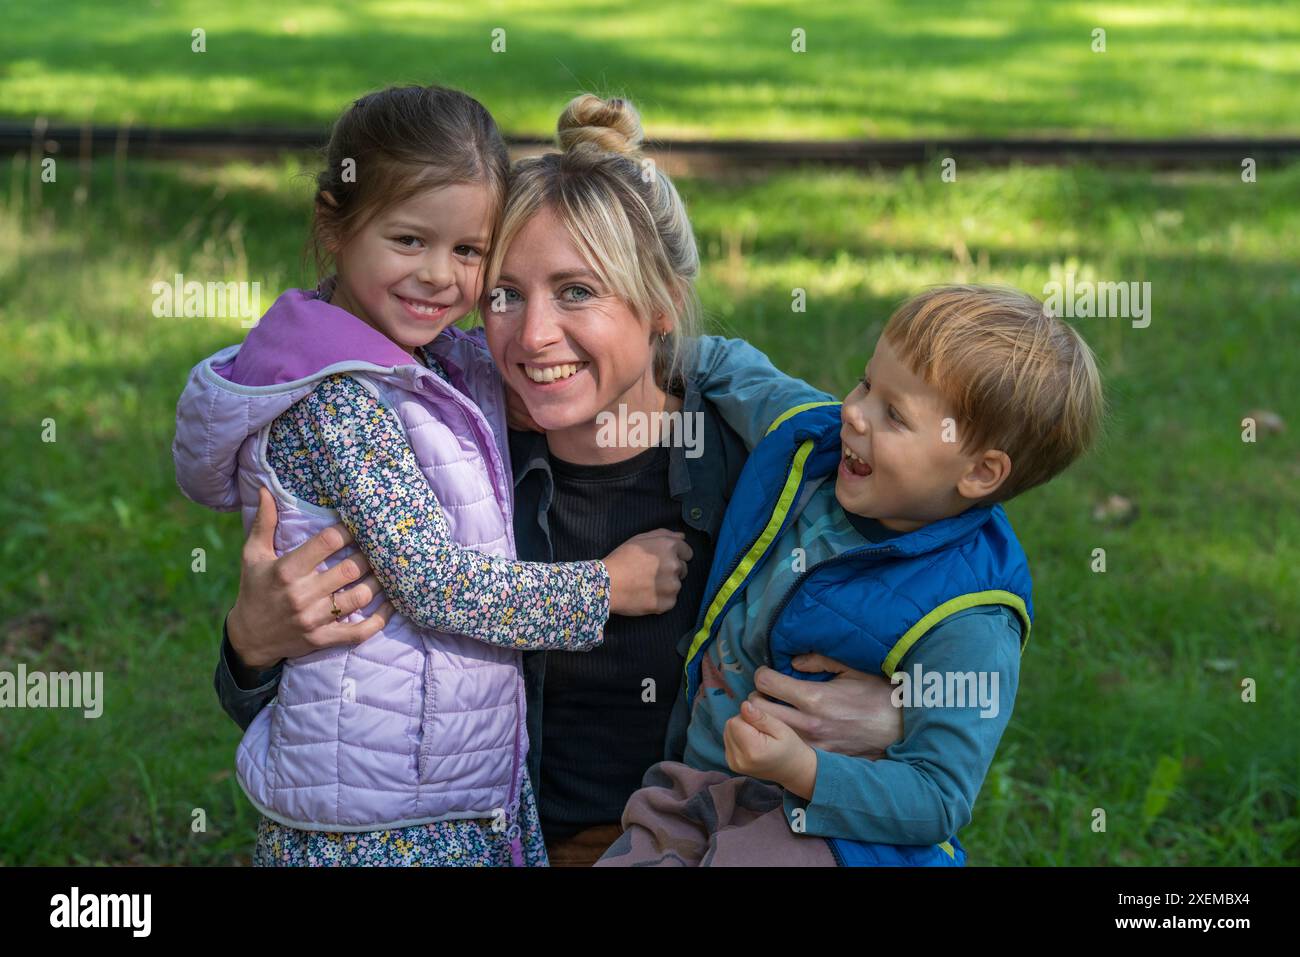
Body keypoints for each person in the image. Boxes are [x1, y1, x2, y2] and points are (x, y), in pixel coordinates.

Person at [212, 93, 908, 867]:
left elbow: (944, 552)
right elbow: (357, 688)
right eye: (505, 294)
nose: (534, 334)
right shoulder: (454, 442)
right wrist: (248, 647)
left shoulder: (755, 463)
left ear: (661, 306)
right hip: (519, 839)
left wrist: (904, 710)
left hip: (721, 833)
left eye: (577, 290)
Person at [173, 84, 691, 867]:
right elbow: (435, 582)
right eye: (409, 240)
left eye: (469, 252)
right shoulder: (342, 397)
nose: (439, 277)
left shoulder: (434, 363)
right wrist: (605, 586)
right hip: (379, 815)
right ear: (333, 226)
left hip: (437, 780)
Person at [598, 285, 1105, 866]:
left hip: (825, 832)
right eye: (867, 383)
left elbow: (939, 795)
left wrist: (805, 771)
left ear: (981, 472)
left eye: (894, 414)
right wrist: (626, 350)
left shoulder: (970, 614)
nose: (854, 412)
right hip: (694, 784)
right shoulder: (810, 445)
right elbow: (721, 363)